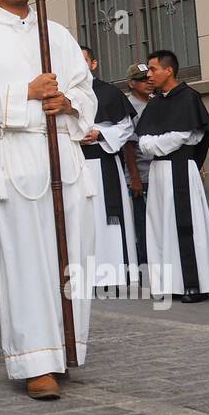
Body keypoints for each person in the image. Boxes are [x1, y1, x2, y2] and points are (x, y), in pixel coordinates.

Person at [0, 0, 97, 401]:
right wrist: (27, 93)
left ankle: (63, 347)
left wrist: (68, 103)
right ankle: (34, 361)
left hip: (61, 153)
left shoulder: (55, 33)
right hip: (14, 154)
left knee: (69, 256)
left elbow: (83, 86)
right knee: (26, 262)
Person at [136, 50, 209, 303]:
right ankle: (168, 283)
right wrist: (159, 143)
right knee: (159, 226)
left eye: (153, 69)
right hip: (158, 173)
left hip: (181, 170)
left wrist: (157, 143)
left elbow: (188, 136)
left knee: (187, 227)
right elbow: (144, 143)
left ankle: (193, 284)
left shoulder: (189, 98)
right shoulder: (154, 103)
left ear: (169, 70)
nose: (148, 75)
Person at [79, 46, 139, 290]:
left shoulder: (109, 92)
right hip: (75, 164)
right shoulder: (65, 94)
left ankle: (112, 273)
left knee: (107, 218)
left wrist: (100, 133)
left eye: (83, 60)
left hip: (103, 163)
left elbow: (126, 127)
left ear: (93, 64)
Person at [124, 63, 152, 270]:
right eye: (142, 79)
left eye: (148, 77)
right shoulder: (128, 107)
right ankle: (144, 263)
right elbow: (128, 144)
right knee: (142, 222)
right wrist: (134, 176)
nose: (148, 82)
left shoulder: (157, 102)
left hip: (158, 171)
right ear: (131, 83)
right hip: (141, 174)